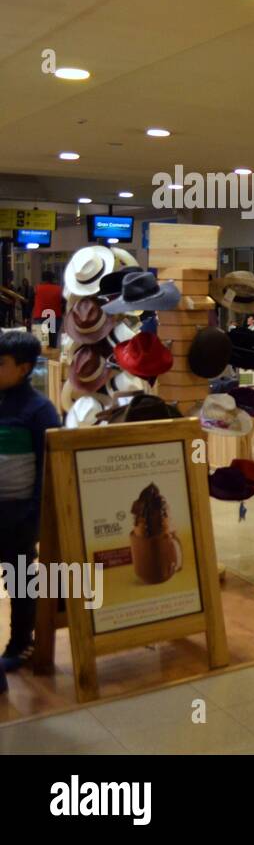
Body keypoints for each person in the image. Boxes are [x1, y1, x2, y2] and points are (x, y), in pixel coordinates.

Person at [0, 332, 61, 685]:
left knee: (20, 580)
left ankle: (21, 642)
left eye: (1, 364)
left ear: (23, 368)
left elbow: (49, 468)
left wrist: (34, 514)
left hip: (20, 514)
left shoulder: (40, 410)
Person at [31, 270, 63, 337]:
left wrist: (27, 317)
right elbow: (64, 303)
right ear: (52, 279)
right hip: (54, 317)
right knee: (52, 343)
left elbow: (30, 303)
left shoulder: (37, 288)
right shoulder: (59, 289)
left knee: (41, 342)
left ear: (42, 279)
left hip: (39, 317)